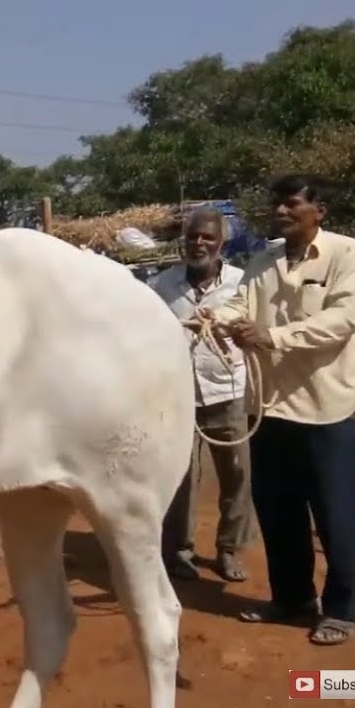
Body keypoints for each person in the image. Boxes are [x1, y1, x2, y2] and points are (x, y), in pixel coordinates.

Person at [198, 174, 355, 646]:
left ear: (320, 211)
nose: (280, 211)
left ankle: (341, 609)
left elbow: (344, 320)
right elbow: (239, 305)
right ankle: (293, 598)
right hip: (270, 410)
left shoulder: (349, 254)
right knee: (278, 515)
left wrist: (271, 336)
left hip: (326, 410)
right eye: (277, 203)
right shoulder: (263, 261)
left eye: (291, 203)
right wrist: (216, 320)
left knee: (335, 519)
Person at [149, 207, 255, 583]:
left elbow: (254, 329)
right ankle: (178, 551)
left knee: (238, 476)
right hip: (178, 396)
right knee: (179, 479)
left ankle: (230, 550)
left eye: (207, 237)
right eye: (193, 237)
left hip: (228, 392)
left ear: (221, 243)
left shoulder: (242, 283)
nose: (199, 243)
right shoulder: (162, 285)